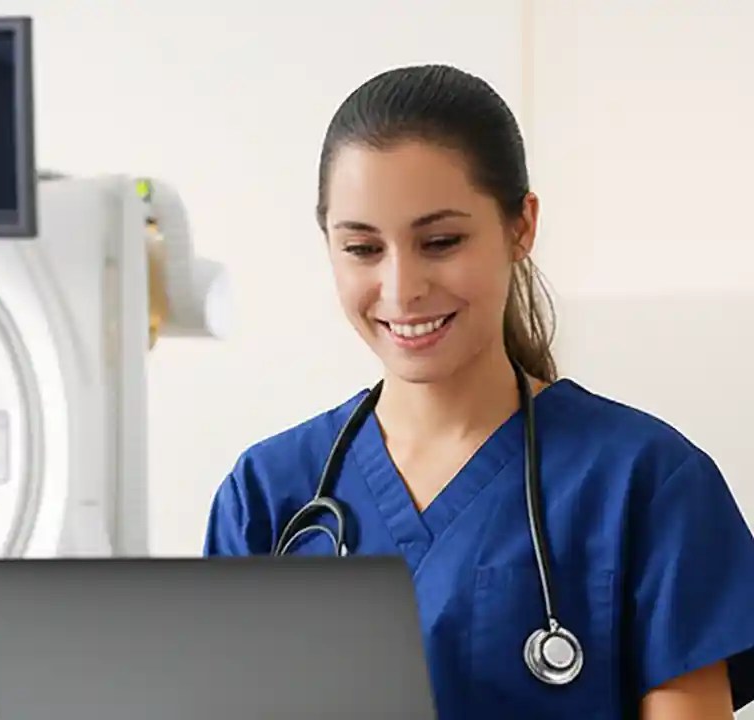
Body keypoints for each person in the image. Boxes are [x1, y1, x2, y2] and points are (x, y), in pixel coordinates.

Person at [203, 64, 754, 719]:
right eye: (361, 248)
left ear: (521, 226)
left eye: (440, 241)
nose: (401, 287)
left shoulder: (648, 483)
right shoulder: (268, 494)